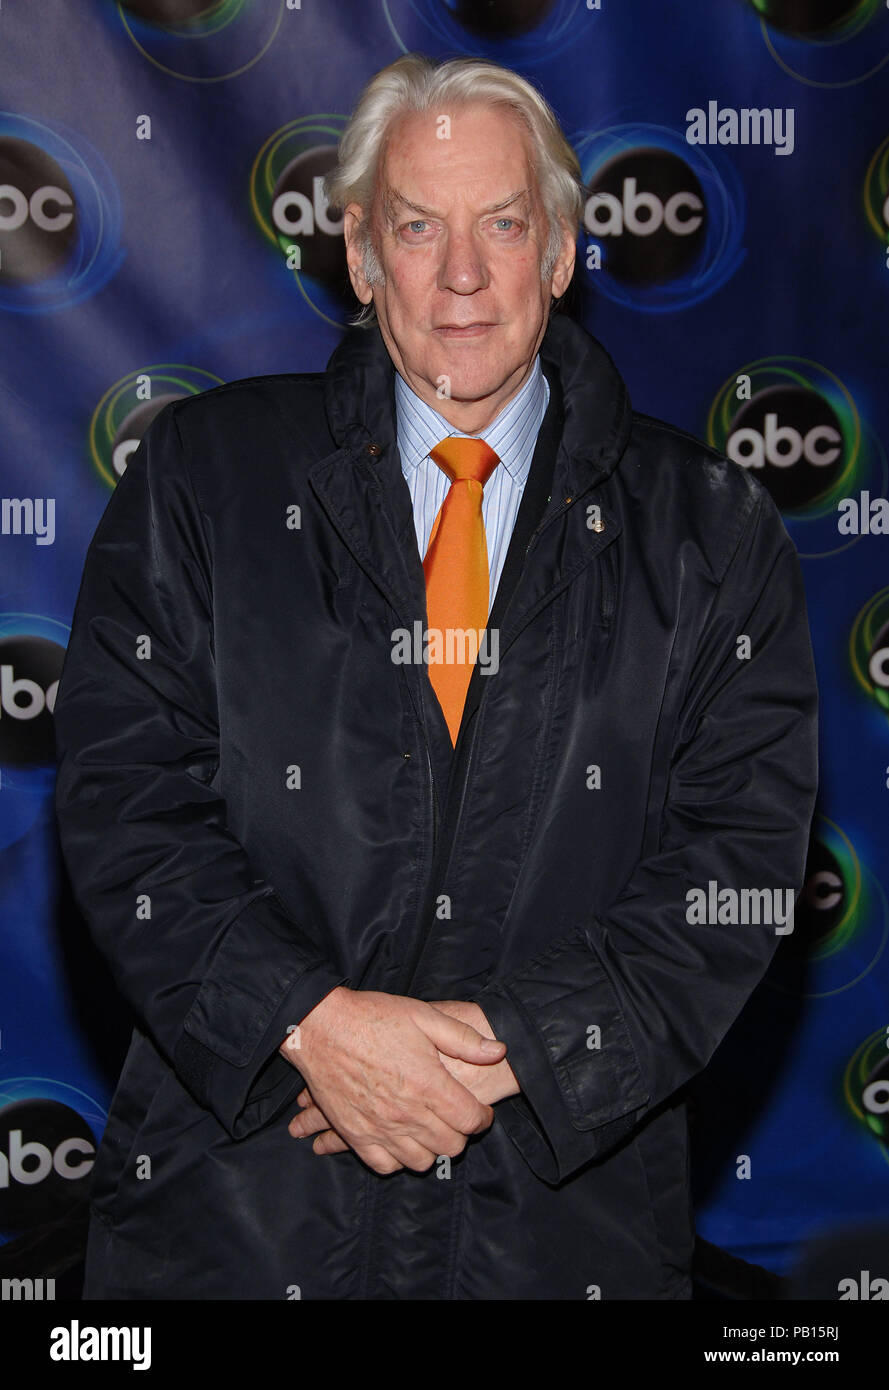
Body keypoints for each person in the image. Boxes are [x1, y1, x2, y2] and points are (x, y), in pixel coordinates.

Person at [53, 53, 819, 1300]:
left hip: (563, 1233)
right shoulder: (207, 480)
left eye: (503, 224)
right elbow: (123, 800)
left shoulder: (710, 527)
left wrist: (502, 1054)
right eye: (418, 226)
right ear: (360, 256)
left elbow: (735, 863)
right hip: (236, 1224)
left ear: (562, 254)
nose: (463, 273)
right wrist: (311, 1022)